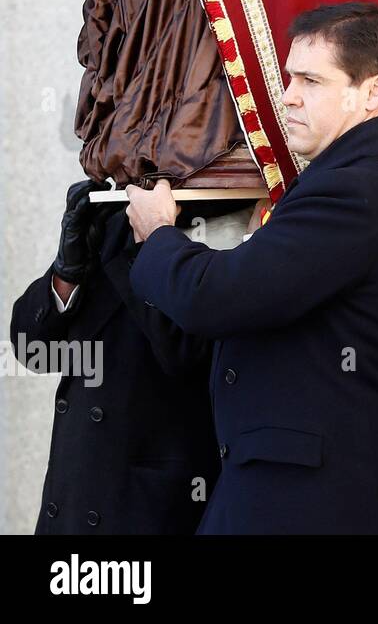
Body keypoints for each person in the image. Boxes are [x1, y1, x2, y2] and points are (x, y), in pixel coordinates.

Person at [125, 2, 378, 534]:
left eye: (311, 81)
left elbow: (214, 297)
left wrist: (158, 234)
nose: (288, 95)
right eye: (290, 77)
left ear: (373, 93)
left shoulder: (354, 191)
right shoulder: (351, 182)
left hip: (317, 501)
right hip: (300, 492)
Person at [8, 180, 220, 534]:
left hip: (145, 506)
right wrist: (65, 273)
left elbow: (184, 353)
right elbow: (32, 349)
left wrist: (151, 244)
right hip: (73, 497)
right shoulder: (111, 216)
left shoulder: (221, 212)